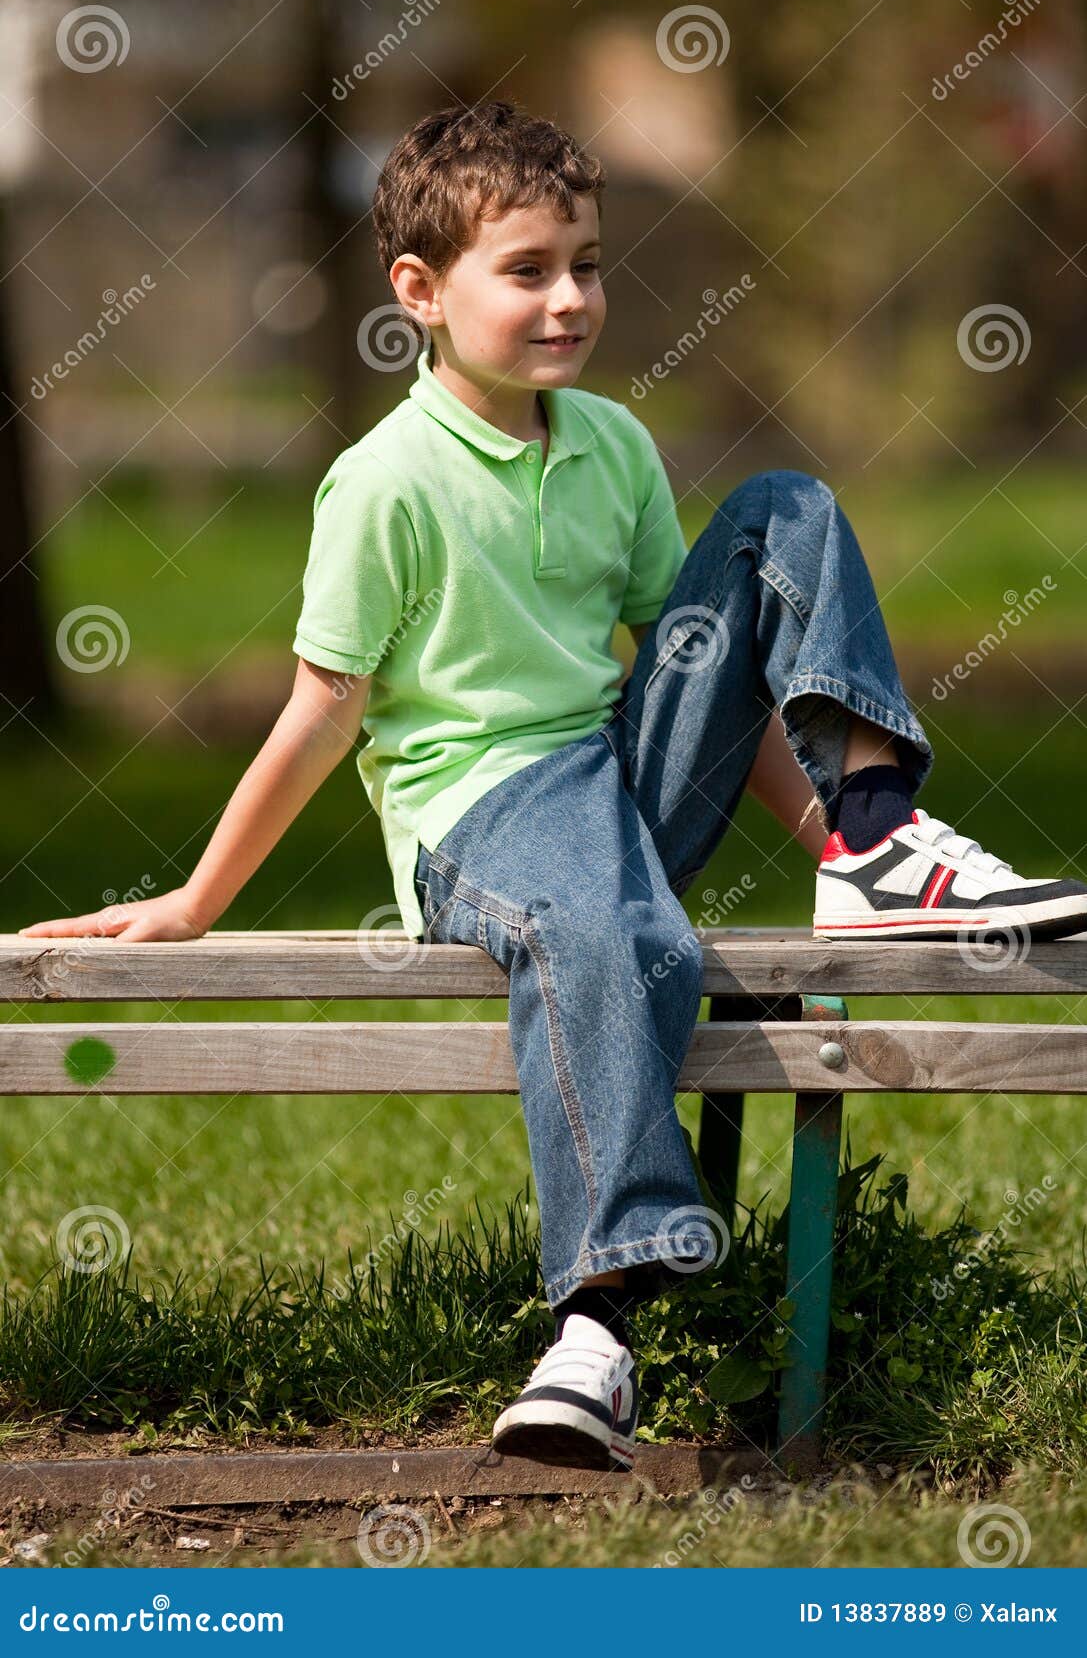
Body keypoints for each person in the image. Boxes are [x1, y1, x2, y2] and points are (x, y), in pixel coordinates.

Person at [19, 100, 1087, 1474]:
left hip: (613, 781)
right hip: (485, 818)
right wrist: (195, 897)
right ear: (420, 292)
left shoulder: (613, 448)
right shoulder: (382, 484)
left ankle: (883, 847)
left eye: (584, 263)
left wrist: (823, 828)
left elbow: (708, 666)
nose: (570, 297)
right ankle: (598, 1321)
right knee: (618, 925)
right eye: (526, 270)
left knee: (783, 510)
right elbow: (321, 712)